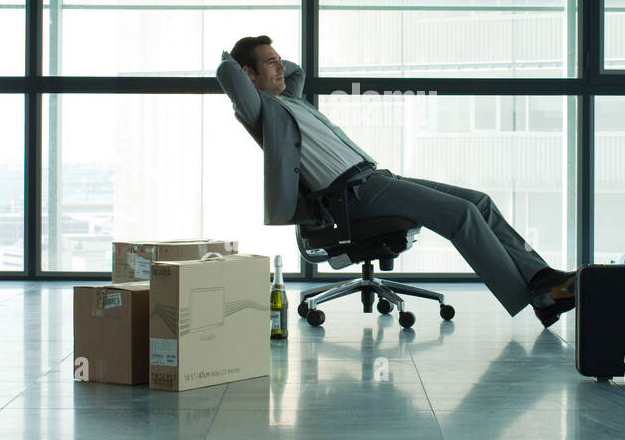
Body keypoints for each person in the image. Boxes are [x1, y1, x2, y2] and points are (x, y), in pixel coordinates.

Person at [216, 35, 577, 327]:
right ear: (248, 74)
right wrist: (232, 60)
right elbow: (228, 75)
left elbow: (296, 70)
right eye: (269, 62)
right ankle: (537, 296)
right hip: (351, 194)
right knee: (462, 214)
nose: (281, 67)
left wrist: (271, 63)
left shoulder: (290, 98)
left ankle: (542, 279)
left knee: (479, 201)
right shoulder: (260, 110)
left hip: (376, 177)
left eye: (278, 59)